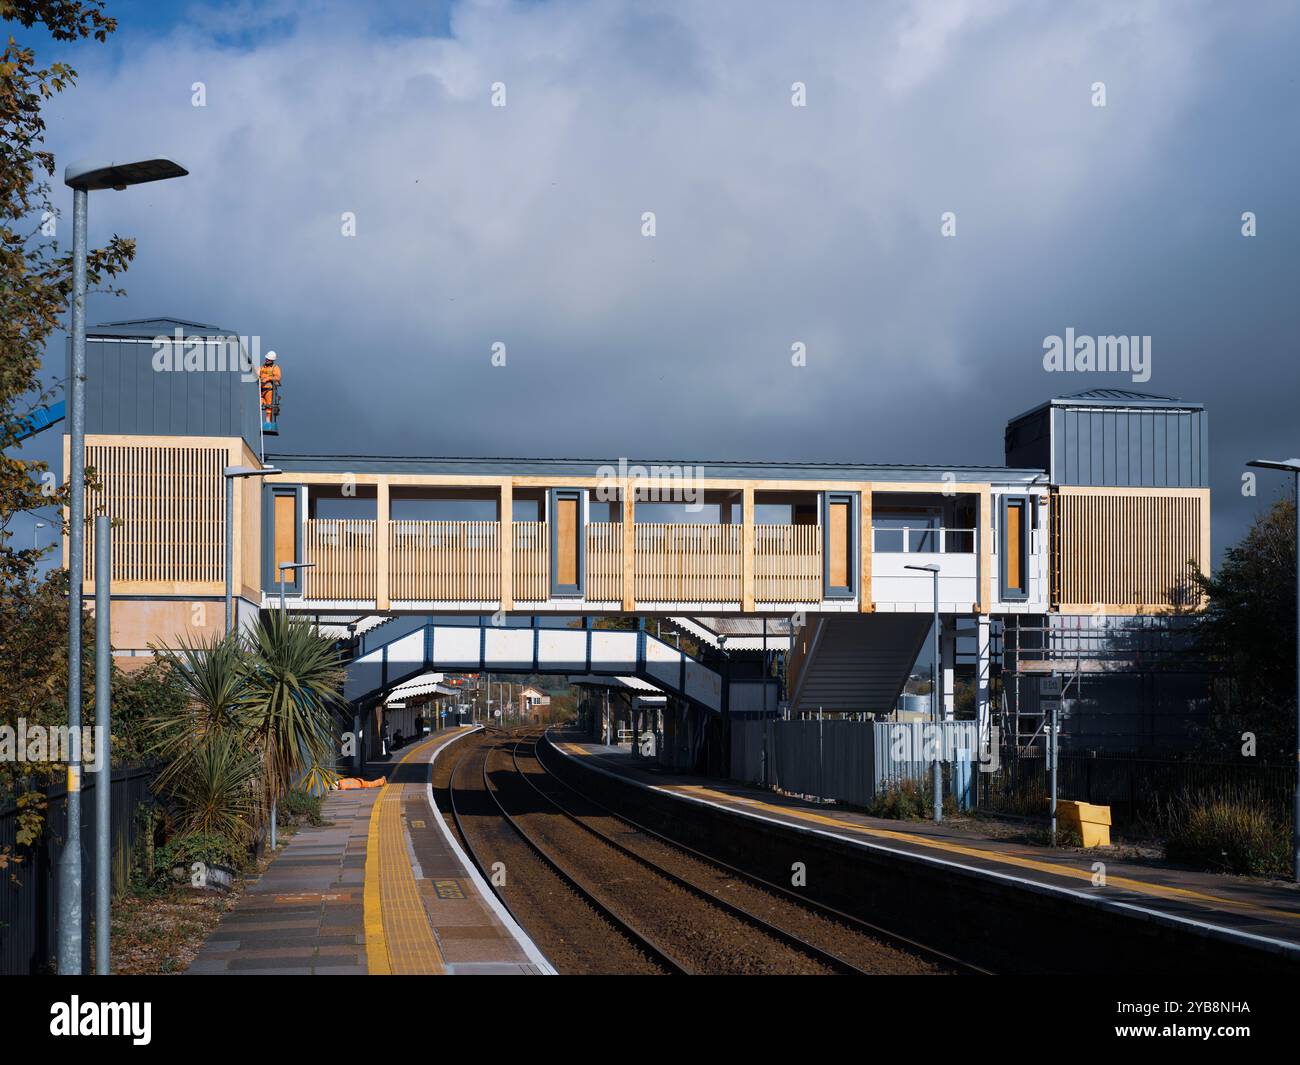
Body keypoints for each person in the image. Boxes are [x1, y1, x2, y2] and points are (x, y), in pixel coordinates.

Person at [259, 350, 281, 423]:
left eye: (268, 359)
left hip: (269, 390)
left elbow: (278, 377)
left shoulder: (275, 368)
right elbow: (256, 373)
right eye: (266, 358)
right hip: (260, 390)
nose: (267, 360)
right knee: (259, 405)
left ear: (272, 360)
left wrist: (268, 378)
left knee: (269, 407)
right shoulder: (262, 367)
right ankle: (259, 422)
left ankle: (268, 423)